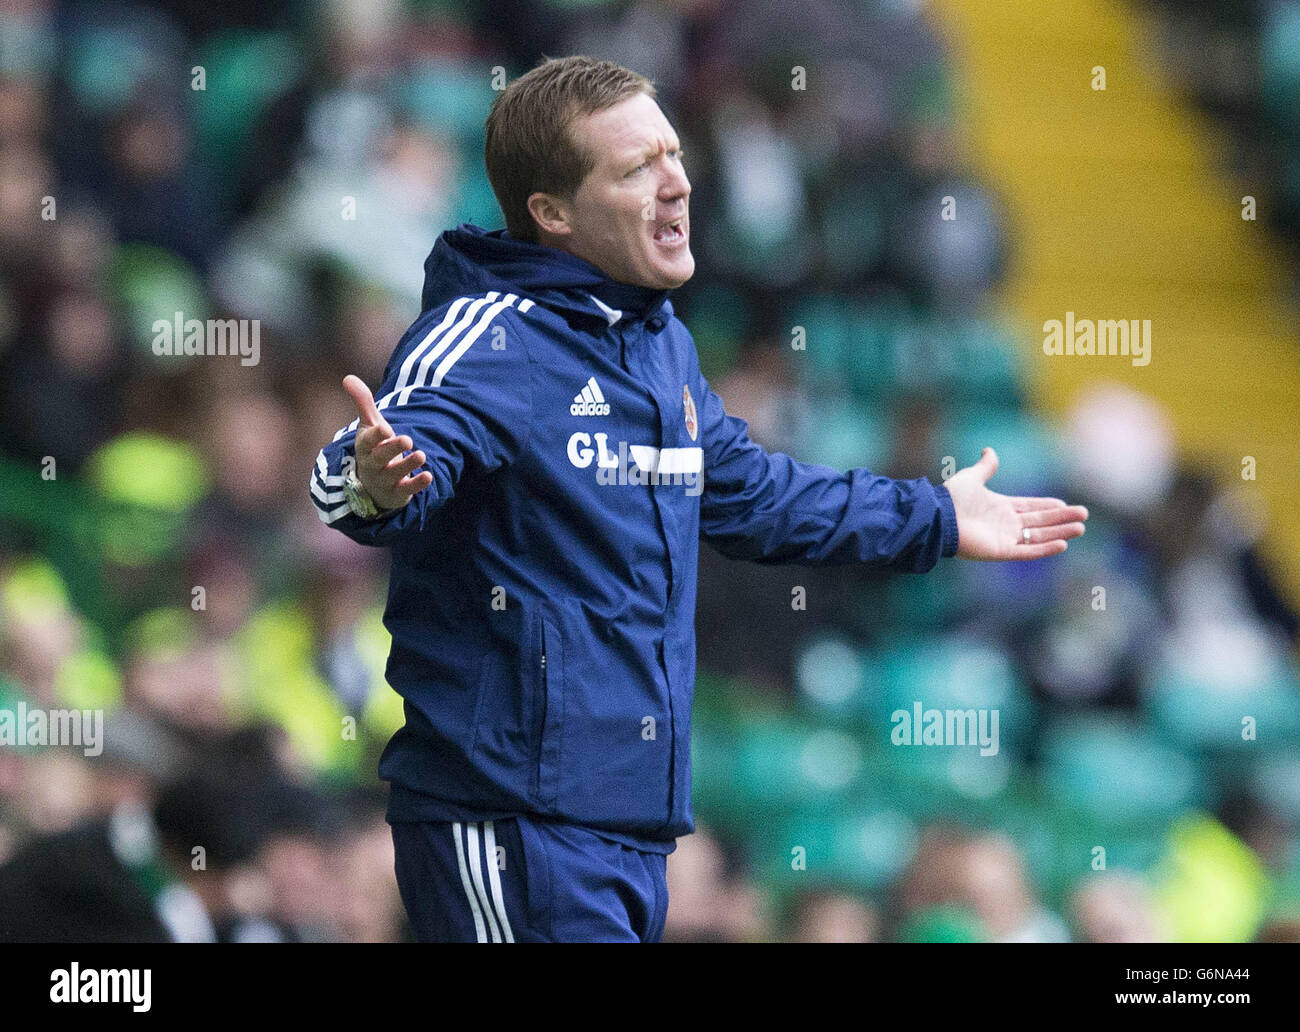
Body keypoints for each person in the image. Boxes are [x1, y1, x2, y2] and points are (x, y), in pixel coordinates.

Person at [309, 56, 1088, 942]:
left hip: (631, 830)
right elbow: (382, 460)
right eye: (636, 168)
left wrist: (936, 517)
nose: (678, 183)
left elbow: (752, 496)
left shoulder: (657, 344)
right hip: (508, 819)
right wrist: (369, 483)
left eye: (673, 155)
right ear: (553, 212)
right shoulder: (484, 339)